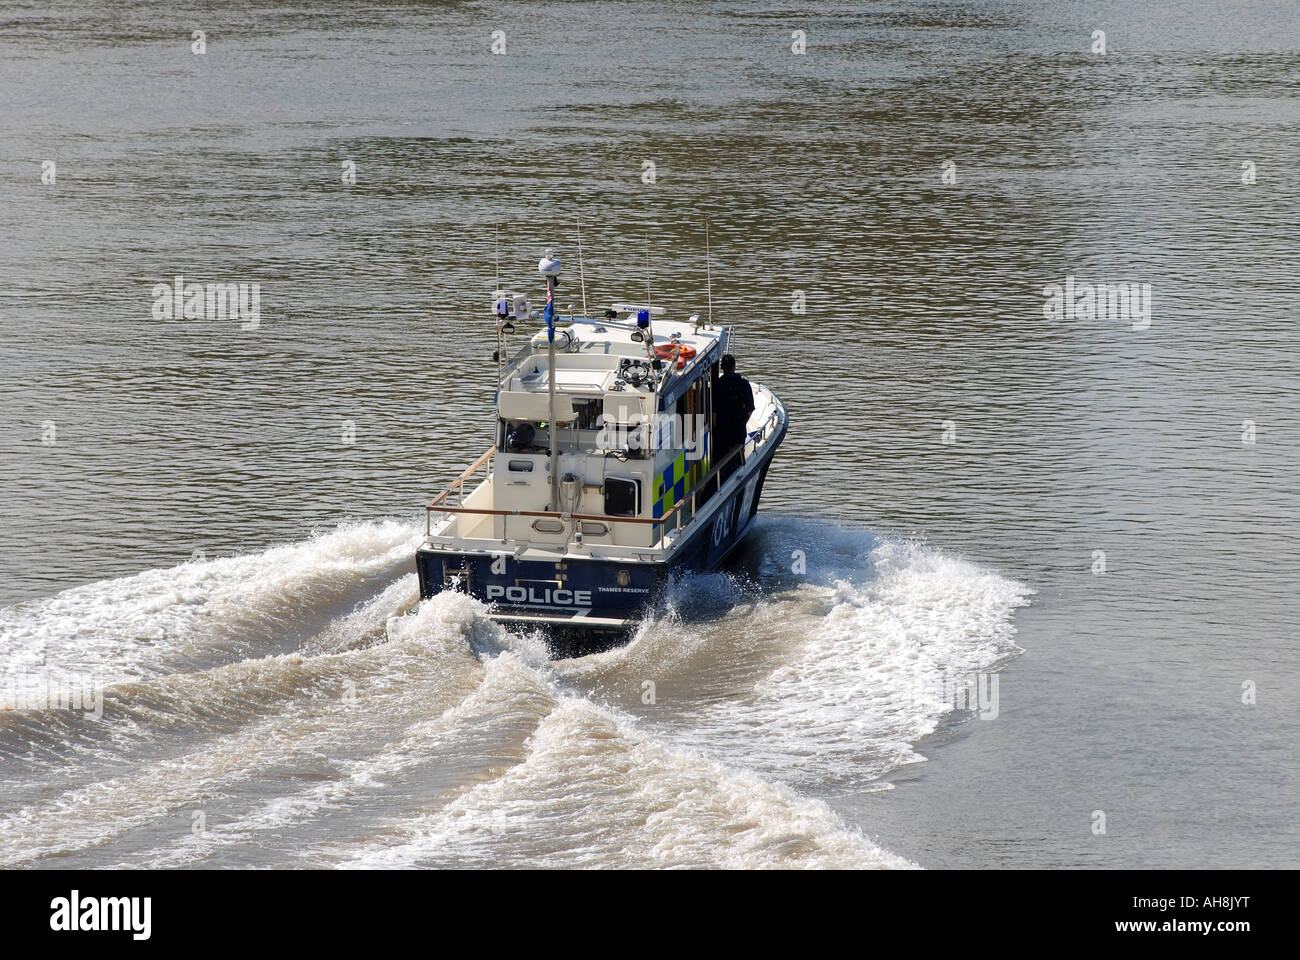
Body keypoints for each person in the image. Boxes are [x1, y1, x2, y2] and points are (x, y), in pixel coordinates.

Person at [713, 354, 754, 484]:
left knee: (721, 459)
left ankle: (719, 483)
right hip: (739, 427)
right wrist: (742, 422)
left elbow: (713, 414)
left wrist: (716, 426)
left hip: (722, 429)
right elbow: (750, 409)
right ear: (734, 367)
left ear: (722, 368)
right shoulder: (744, 384)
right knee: (739, 453)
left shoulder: (717, 386)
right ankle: (740, 478)